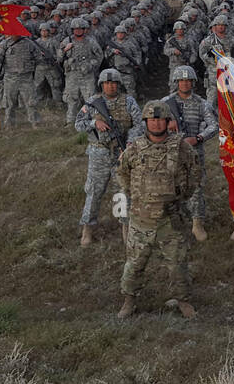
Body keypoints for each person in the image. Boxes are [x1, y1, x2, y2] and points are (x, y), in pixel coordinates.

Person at [115, 101, 200, 319]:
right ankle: (129, 300)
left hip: (171, 219)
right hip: (141, 220)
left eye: (160, 119)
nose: (155, 123)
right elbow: (123, 175)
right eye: (151, 119)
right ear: (145, 122)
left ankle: (184, 301)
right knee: (134, 264)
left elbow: (193, 176)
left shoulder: (182, 148)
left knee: (177, 265)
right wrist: (138, 198)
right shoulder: (133, 149)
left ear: (167, 121)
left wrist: (179, 198)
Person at [75, 68, 143, 247]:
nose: (111, 86)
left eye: (114, 83)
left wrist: (129, 143)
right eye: (107, 83)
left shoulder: (129, 102)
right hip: (99, 154)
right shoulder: (92, 103)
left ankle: (125, 229)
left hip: (121, 154)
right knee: (94, 192)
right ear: (101, 85)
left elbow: (139, 125)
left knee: (121, 192)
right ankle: (87, 229)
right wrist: (94, 123)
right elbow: (78, 124)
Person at [160, 65, 218, 241]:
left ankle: (197, 223)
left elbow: (214, 125)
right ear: (176, 82)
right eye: (181, 80)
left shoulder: (202, 104)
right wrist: (166, 123)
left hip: (194, 152)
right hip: (170, 152)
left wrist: (199, 138)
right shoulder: (165, 103)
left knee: (196, 186)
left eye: (188, 80)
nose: (184, 84)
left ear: (193, 82)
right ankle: (173, 221)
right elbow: (149, 124)